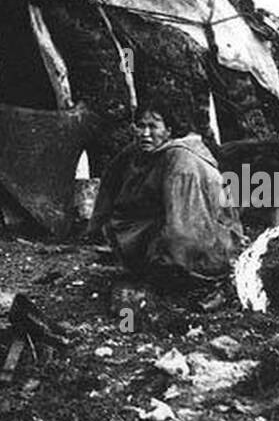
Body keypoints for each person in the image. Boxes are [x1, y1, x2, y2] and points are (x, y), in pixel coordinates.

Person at [94, 100, 244, 291]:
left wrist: (170, 262)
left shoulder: (181, 160)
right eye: (140, 126)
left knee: (174, 267)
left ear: (169, 130)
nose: (145, 133)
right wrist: (99, 229)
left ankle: (192, 276)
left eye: (153, 127)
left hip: (210, 235)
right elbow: (110, 186)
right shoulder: (138, 152)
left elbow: (187, 224)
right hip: (173, 224)